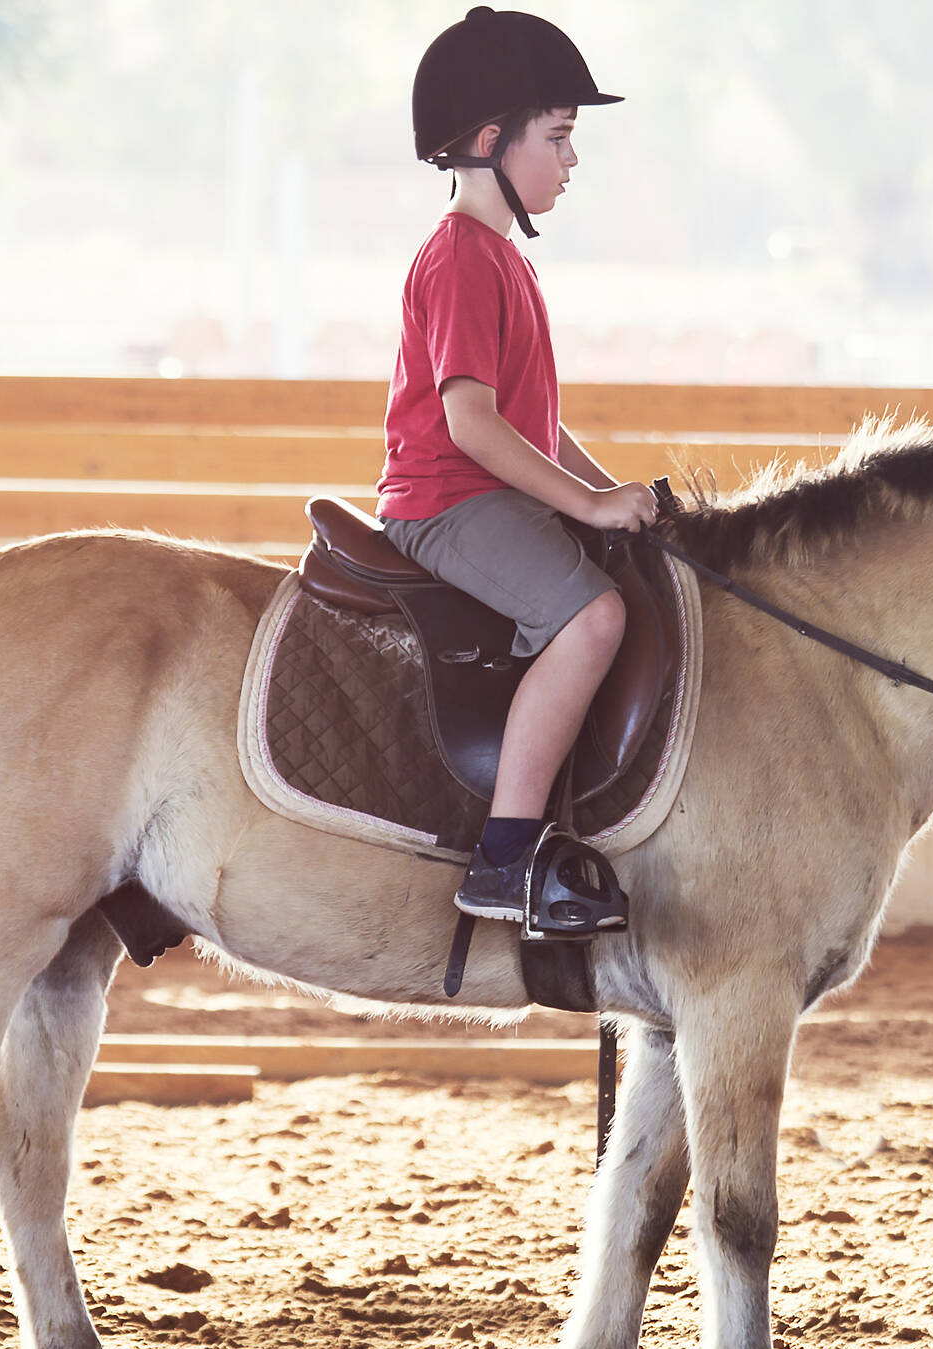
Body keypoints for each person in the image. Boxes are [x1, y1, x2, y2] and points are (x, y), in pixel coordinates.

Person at [377, 7, 657, 924]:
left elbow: (534, 426)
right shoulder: (461, 258)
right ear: (493, 142)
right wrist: (587, 505)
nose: (572, 161)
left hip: (486, 490)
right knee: (593, 619)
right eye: (560, 138)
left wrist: (605, 495)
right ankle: (503, 860)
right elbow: (472, 426)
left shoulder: (500, 257)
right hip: (447, 503)